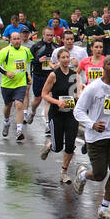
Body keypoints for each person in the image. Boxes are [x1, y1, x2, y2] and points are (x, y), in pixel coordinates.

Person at [72, 54, 110, 219]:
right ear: (104, 68)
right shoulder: (94, 88)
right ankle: (83, 174)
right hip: (96, 136)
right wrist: (92, 124)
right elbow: (78, 111)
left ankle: (104, 208)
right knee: (99, 174)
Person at [40, 47, 80, 181]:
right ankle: (50, 146)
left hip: (71, 114)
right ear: (58, 59)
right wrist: (57, 102)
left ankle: (64, 171)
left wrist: (80, 96)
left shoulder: (75, 74)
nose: (66, 60)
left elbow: (77, 93)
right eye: (63, 57)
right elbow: (44, 94)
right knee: (58, 148)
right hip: (56, 114)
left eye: (67, 57)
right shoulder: (54, 75)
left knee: (70, 144)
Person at [0, 28, 33, 141]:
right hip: (7, 84)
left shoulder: (25, 50)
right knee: (8, 106)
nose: (17, 41)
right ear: (10, 40)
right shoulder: (6, 51)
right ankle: (6, 122)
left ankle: (19, 130)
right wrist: (6, 72)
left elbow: (27, 64)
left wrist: (28, 75)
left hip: (20, 83)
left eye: (18, 39)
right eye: (14, 39)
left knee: (19, 105)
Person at [27, 26, 59, 132]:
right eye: (48, 35)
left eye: (51, 35)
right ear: (43, 35)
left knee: (48, 99)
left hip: (50, 76)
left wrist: (56, 65)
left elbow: (60, 59)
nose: (50, 37)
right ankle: (32, 111)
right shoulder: (36, 46)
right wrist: (38, 60)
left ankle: (47, 123)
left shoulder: (56, 47)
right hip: (38, 75)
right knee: (37, 99)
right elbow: (29, 60)